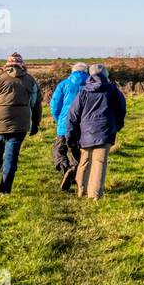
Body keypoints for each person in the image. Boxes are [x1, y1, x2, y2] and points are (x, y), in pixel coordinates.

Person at [0, 52, 42, 195]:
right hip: (19, 126)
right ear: (22, 65)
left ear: (7, 64)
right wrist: (36, 123)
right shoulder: (30, 80)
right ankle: (5, 189)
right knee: (11, 157)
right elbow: (36, 104)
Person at [65, 63, 127, 200]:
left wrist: (70, 133)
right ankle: (95, 195)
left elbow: (73, 114)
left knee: (84, 161)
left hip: (85, 132)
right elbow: (121, 108)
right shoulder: (112, 90)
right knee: (100, 162)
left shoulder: (83, 91)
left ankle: (81, 190)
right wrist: (118, 124)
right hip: (105, 131)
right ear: (106, 75)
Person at [49, 62, 89, 191]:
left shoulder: (64, 84)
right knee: (77, 152)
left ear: (73, 71)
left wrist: (59, 119)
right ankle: (73, 171)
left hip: (65, 124)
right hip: (83, 125)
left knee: (58, 150)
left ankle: (65, 169)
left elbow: (55, 105)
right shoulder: (90, 84)